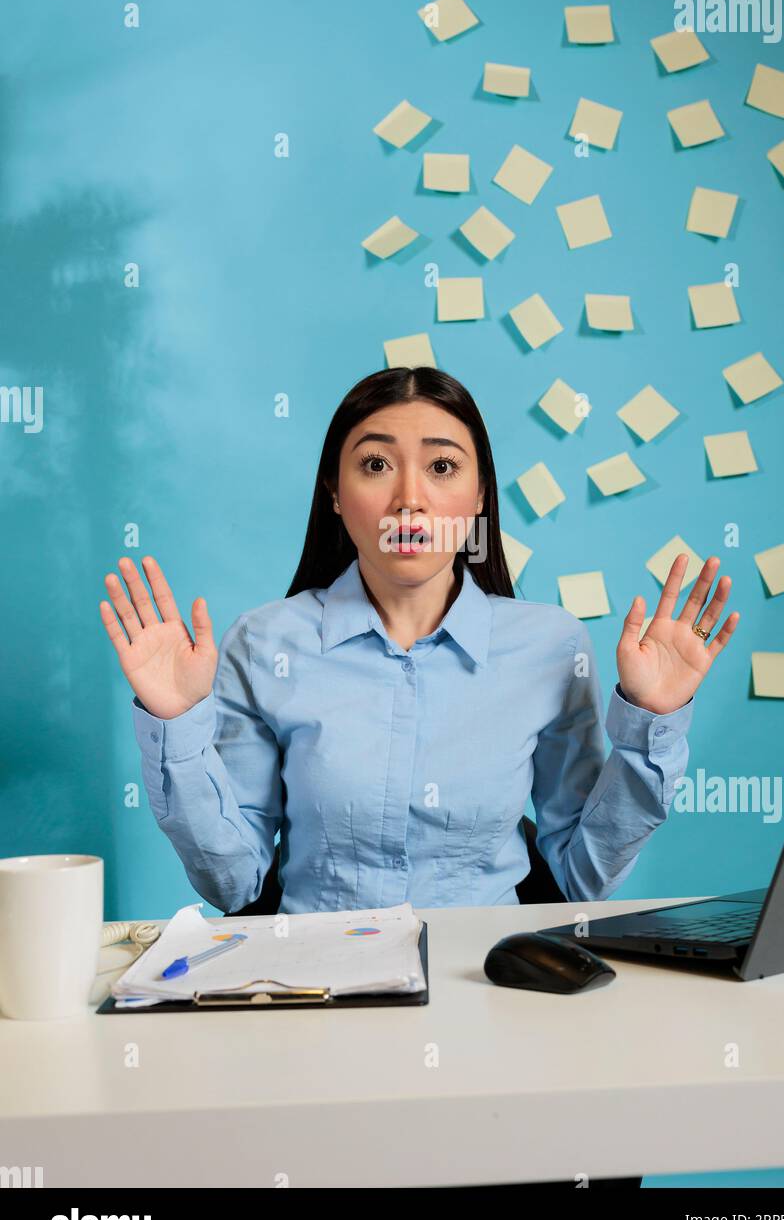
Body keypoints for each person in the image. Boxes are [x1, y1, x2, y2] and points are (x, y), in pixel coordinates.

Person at [99, 366, 739, 919]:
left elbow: (579, 877)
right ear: (334, 492)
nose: (410, 500)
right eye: (376, 464)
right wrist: (175, 721)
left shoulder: (551, 648)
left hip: (488, 989)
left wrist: (652, 722)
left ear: (480, 494)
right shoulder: (266, 642)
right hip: (316, 992)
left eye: (441, 466)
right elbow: (233, 883)